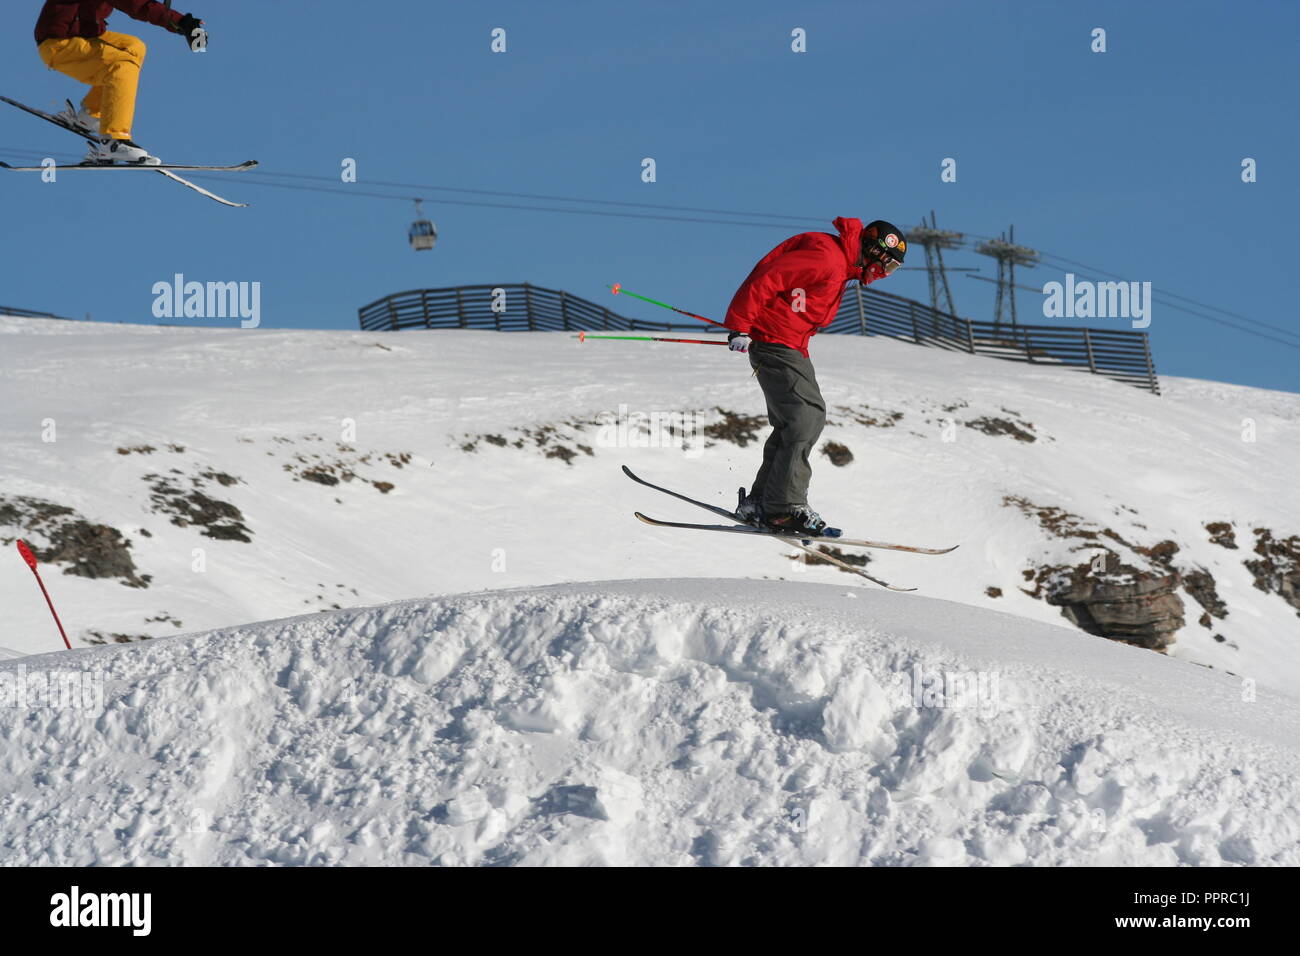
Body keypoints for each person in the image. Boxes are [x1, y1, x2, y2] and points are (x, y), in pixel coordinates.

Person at [724, 217, 907, 534]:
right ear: (874, 252)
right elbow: (769, 277)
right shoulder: (828, 258)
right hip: (775, 342)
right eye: (887, 265)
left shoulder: (840, 265)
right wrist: (740, 323)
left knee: (794, 422)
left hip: (790, 345)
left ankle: (762, 502)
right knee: (805, 418)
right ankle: (783, 508)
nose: (883, 274)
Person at [33, 1, 205, 166]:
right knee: (122, 65)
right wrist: (181, 22)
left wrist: (182, 23)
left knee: (133, 47)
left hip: (81, 37)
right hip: (60, 43)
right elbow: (134, 4)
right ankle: (113, 142)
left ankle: (90, 115)